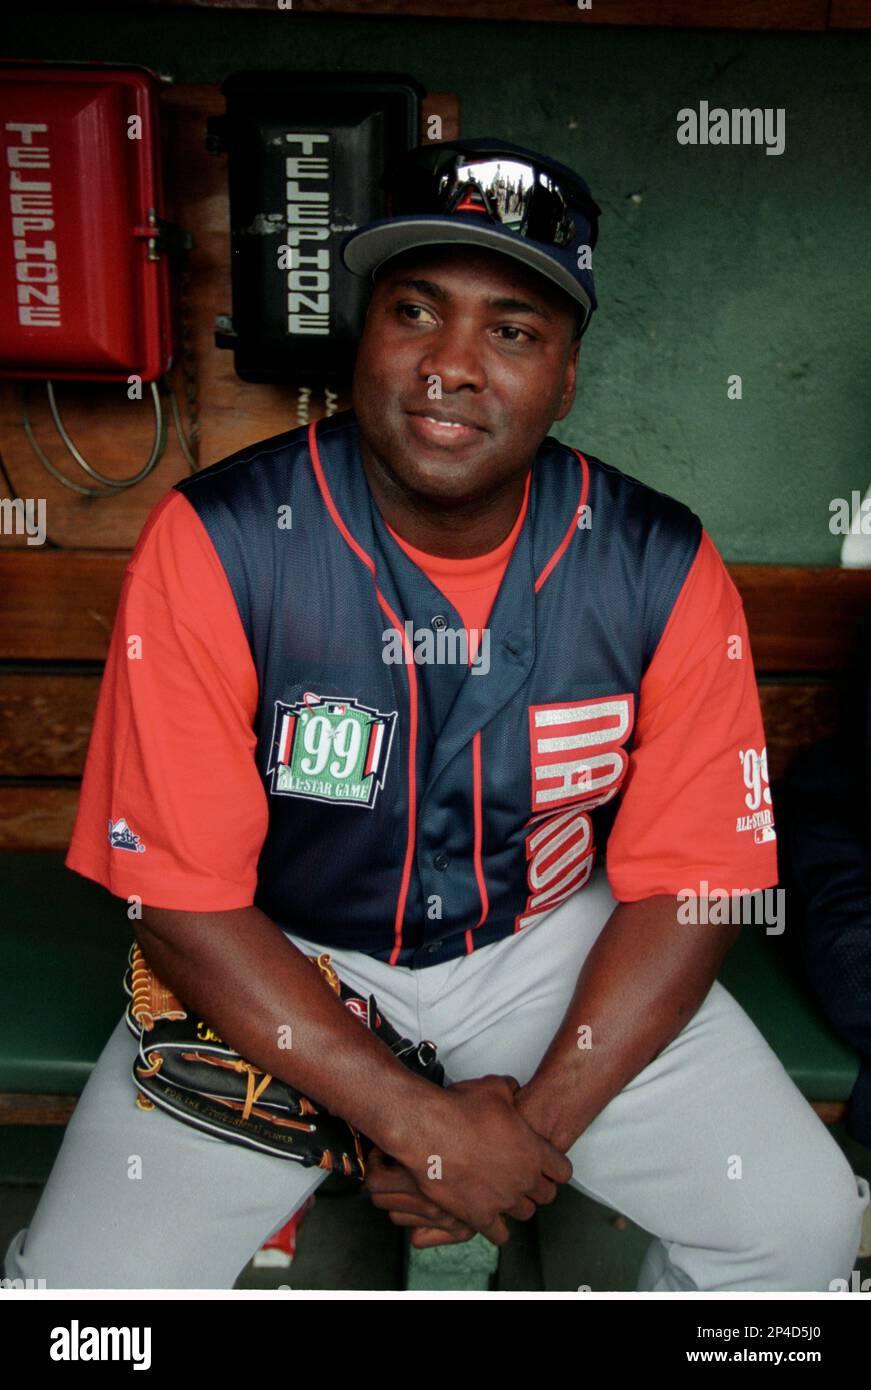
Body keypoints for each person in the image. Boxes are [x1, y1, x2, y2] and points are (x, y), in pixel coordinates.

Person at [3, 138, 868, 1291]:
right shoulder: (219, 538)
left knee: (796, 1228)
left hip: (545, 951)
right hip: (281, 953)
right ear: (364, 335)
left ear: (565, 376)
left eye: (511, 329)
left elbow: (694, 884)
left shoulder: (657, 560)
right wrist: (420, 1122)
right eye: (415, 310)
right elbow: (181, 898)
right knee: (83, 1308)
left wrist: (521, 1132)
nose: (449, 364)